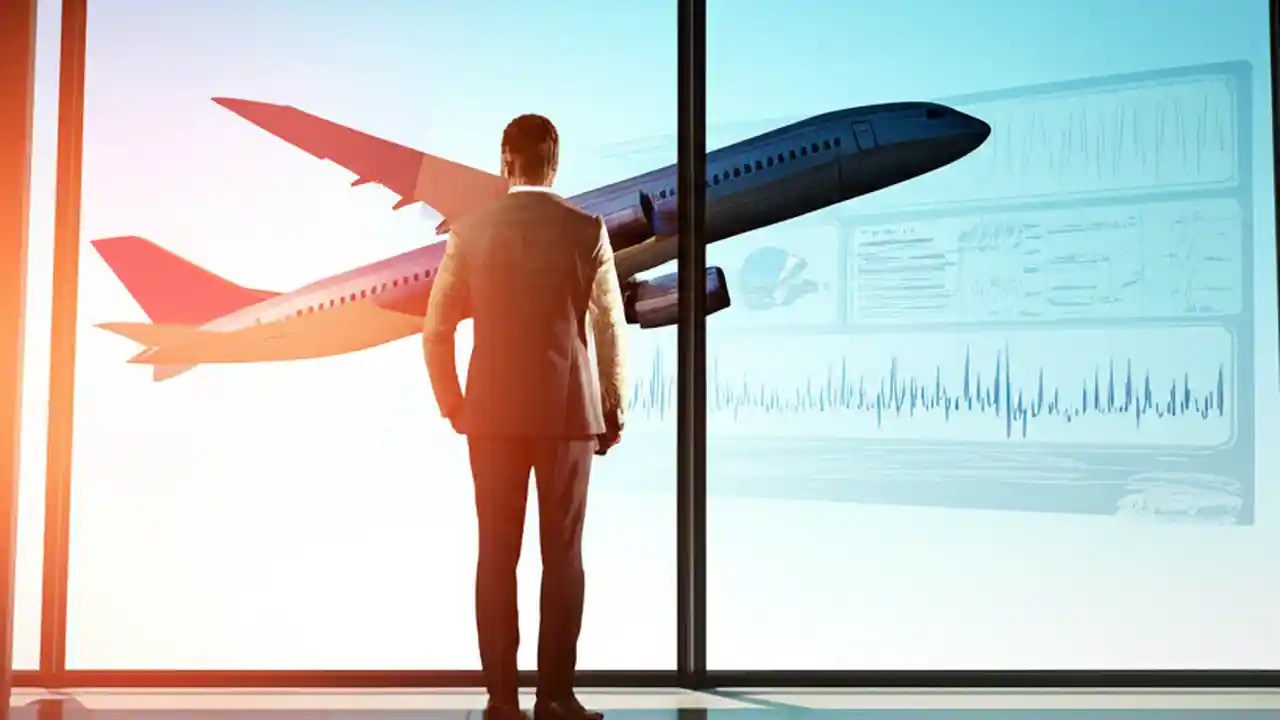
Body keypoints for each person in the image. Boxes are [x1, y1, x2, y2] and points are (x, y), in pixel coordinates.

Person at [422, 114, 627, 720]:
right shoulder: (586, 228)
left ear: (504, 161)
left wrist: (454, 402)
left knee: (496, 554)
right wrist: (611, 403)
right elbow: (608, 325)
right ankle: (557, 699)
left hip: (491, 415)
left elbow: (436, 329)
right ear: (555, 162)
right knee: (562, 555)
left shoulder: (469, 231)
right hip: (567, 414)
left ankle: (502, 701)